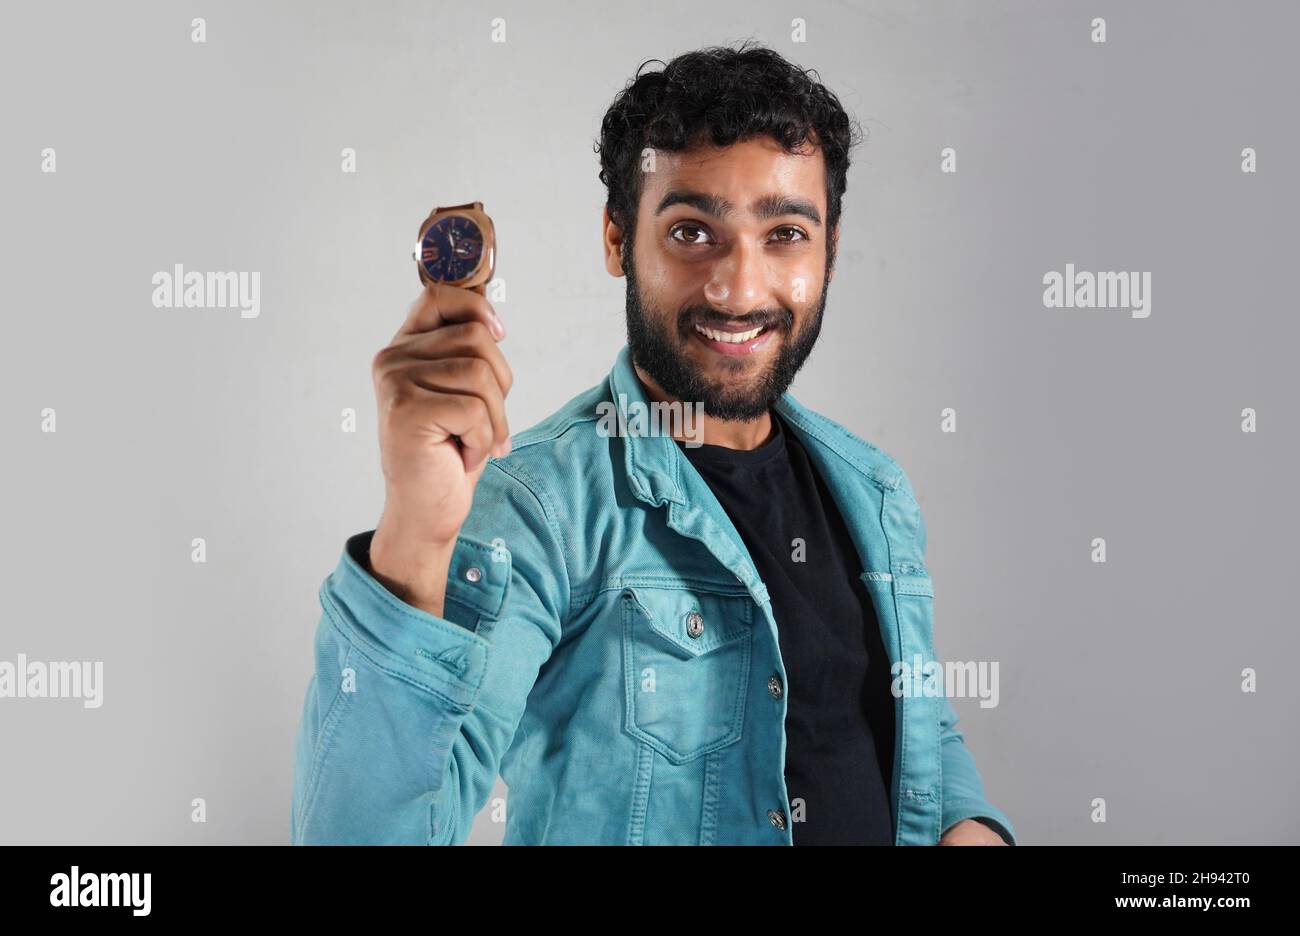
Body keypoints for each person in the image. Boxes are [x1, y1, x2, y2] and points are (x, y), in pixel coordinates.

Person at [291, 40, 1015, 846]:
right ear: (616, 238)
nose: (738, 291)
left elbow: (920, 734)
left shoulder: (875, 489)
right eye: (691, 232)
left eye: (784, 235)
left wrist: (966, 826)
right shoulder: (540, 508)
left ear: (831, 251)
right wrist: (414, 535)